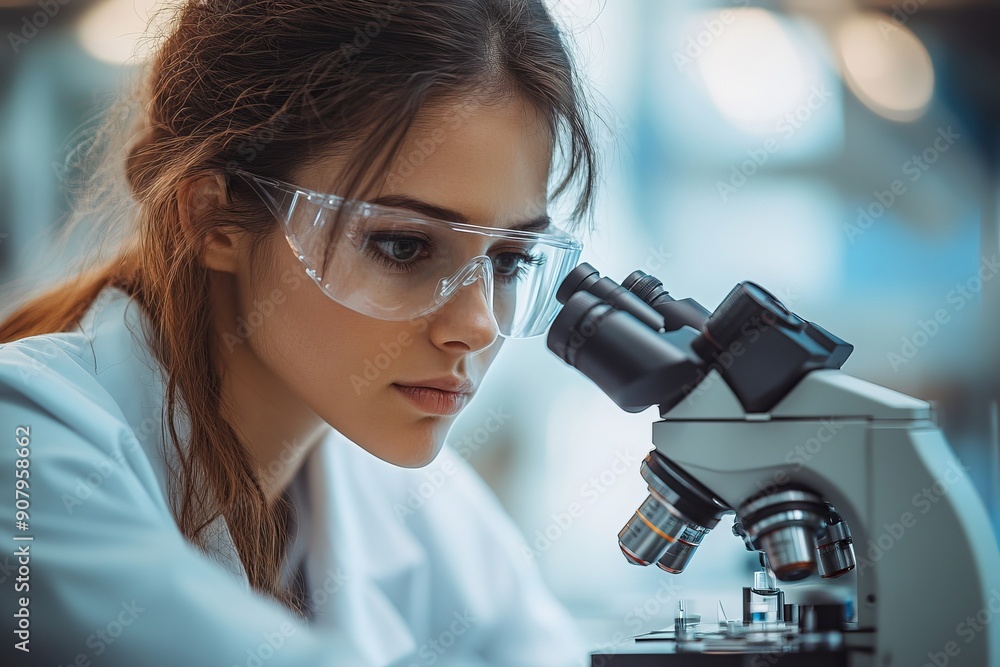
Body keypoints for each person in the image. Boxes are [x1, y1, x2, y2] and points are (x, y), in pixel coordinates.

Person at [0, 0, 601, 665]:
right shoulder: (26, 440)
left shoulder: (415, 503)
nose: (479, 326)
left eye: (511, 259)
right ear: (213, 218)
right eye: (403, 247)